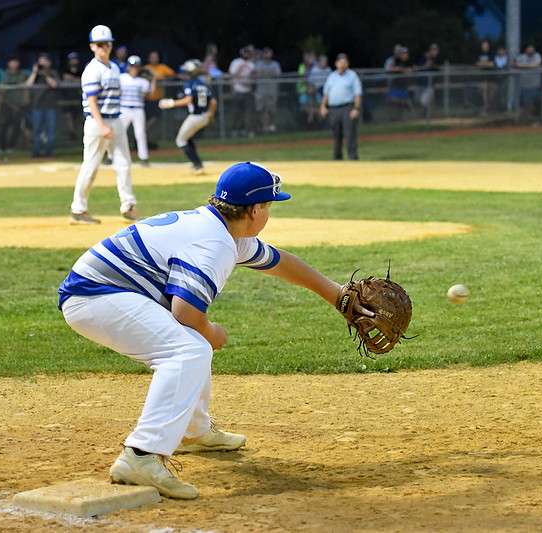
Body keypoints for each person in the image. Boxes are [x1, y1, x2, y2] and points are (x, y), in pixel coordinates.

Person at [58, 161, 374, 499]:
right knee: (189, 348)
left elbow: (279, 261)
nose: (269, 213)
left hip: (105, 290)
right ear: (254, 211)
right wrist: (211, 331)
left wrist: (336, 294)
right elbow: (185, 312)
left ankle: (193, 430)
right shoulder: (216, 243)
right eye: (269, 206)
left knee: (191, 344)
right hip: (94, 296)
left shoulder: (220, 228)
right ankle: (142, 455)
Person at [70, 24, 139, 224]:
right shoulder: (92, 70)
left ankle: (128, 206)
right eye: (100, 44)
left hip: (115, 119)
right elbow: (91, 101)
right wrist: (102, 126)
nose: (104, 48)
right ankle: (78, 208)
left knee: (124, 163)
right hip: (97, 122)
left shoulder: (114, 67)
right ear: (92, 46)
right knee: (91, 166)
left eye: (107, 44)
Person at [159, 58, 217, 174]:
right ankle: (198, 164)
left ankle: (197, 165)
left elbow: (188, 100)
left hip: (196, 116)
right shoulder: (202, 83)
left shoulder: (190, 83)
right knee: (187, 137)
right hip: (205, 115)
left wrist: (171, 103)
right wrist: (210, 114)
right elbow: (214, 102)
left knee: (180, 140)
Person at [320, 53, 362, 161]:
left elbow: (358, 93)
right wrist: (323, 106)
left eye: (345, 62)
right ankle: (337, 158)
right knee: (336, 134)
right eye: (340, 62)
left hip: (347, 107)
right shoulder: (331, 76)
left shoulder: (352, 76)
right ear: (336, 64)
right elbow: (326, 93)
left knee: (350, 133)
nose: (342, 64)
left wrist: (356, 108)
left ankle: (353, 157)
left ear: (348, 64)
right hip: (334, 108)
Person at [120, 55, 155, 166]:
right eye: (132, 66)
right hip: (124, 109)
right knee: (119, 133)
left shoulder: (142, 81)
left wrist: (153, 80)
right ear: (128, 67)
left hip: (138, 109)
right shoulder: (122, 78)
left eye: (136, 66)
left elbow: (151, 94)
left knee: (140, 134)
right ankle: (112, 156)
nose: (134, 69)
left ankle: (144, 158)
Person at [25, 53, 60, 158]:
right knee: (36, 131)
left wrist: (46, 75)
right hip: (37, 107)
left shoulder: (53, 73)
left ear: (49, 63)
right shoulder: (35, 75)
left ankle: (48, 152)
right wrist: (34, 72)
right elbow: (28, 85)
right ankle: (36, 152)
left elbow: (55, 85)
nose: (42, 64)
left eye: (45, 61)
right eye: (40, 61)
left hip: (51, 107)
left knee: (50, 131)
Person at [143, 51, 175, 150]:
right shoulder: (146, 68)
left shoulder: (162, 68)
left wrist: (164, 79)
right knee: (146, 119)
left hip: (157, 99)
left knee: (155, 117)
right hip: (147, 99)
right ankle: (145, 139)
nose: (154, 59)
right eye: (152, 57)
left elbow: (172, 75)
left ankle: (145, 134)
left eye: (156, 57)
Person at [0, 55, 30, 152]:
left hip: (19, 104)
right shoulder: (4, 74)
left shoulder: (23, 74)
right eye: (12, 62)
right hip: (6, 104)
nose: (13, 64)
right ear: (8, 63)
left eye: (15, 61)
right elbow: (1, 87)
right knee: (4, 125)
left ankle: (10, 146)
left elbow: (30, 81)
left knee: (17, 126)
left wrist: (24, 83)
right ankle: (1, 147)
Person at [228, 44, 256, 137]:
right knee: (237, 112)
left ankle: (245, 129)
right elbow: (231, 76)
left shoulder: (251, 64)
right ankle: (235, 129)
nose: (246, 54)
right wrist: (232, 89)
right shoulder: (236, 62)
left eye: (247, 52)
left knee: (247, 112)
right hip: (238, 90)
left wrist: (253, 89)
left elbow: (254, 78)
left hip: (247, 91)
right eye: (244, 52)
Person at [254, 47, 282, 133]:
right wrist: (270, 72)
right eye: (265, 53)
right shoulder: (259, 63)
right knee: (260, 109)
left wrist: (264, 72)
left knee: (271, 109)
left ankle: (271, 126)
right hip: (261, 90)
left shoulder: (275, 64)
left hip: (272, 90)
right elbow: (258, 73)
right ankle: (263, 126)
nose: (267, 55)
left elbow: (277, 75)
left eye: (268, 53)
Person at [61, 52, 84, 141]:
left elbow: (83, 80)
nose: (74, 61)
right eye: (72, 59)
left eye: (75, 59)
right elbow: (65, 77)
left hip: (79, 99)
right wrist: (77, 80)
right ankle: (72, 135)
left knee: (81, 118)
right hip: (69, 98)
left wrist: (72, 79)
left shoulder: (81, 70)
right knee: (69, 117)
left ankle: (83, 136)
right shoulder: (65, 70)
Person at [387, 46, 414, 121]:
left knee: (400, 107)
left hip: (404, 86)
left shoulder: (409, 62)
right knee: (392, 100)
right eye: (402, 54)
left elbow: (410, 71)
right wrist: (401, 70)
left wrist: (400, 69)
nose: (404, 55)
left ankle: (398, 119)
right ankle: (405, 103)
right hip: (395, 84)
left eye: (405, 54)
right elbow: (391, 69)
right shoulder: (396, 60)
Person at [475, 39, 497, 113]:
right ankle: (486, 105)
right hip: (483, 75)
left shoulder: (491, 53)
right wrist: (487, 63)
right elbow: (477, 64)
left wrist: (483, 63)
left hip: (491, 75)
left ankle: (490, 105)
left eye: (486, 45)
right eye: (483, 45)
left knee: (492, 90)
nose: (485, 46)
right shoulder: (479, 53)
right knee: (484, 89)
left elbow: (492, 64)